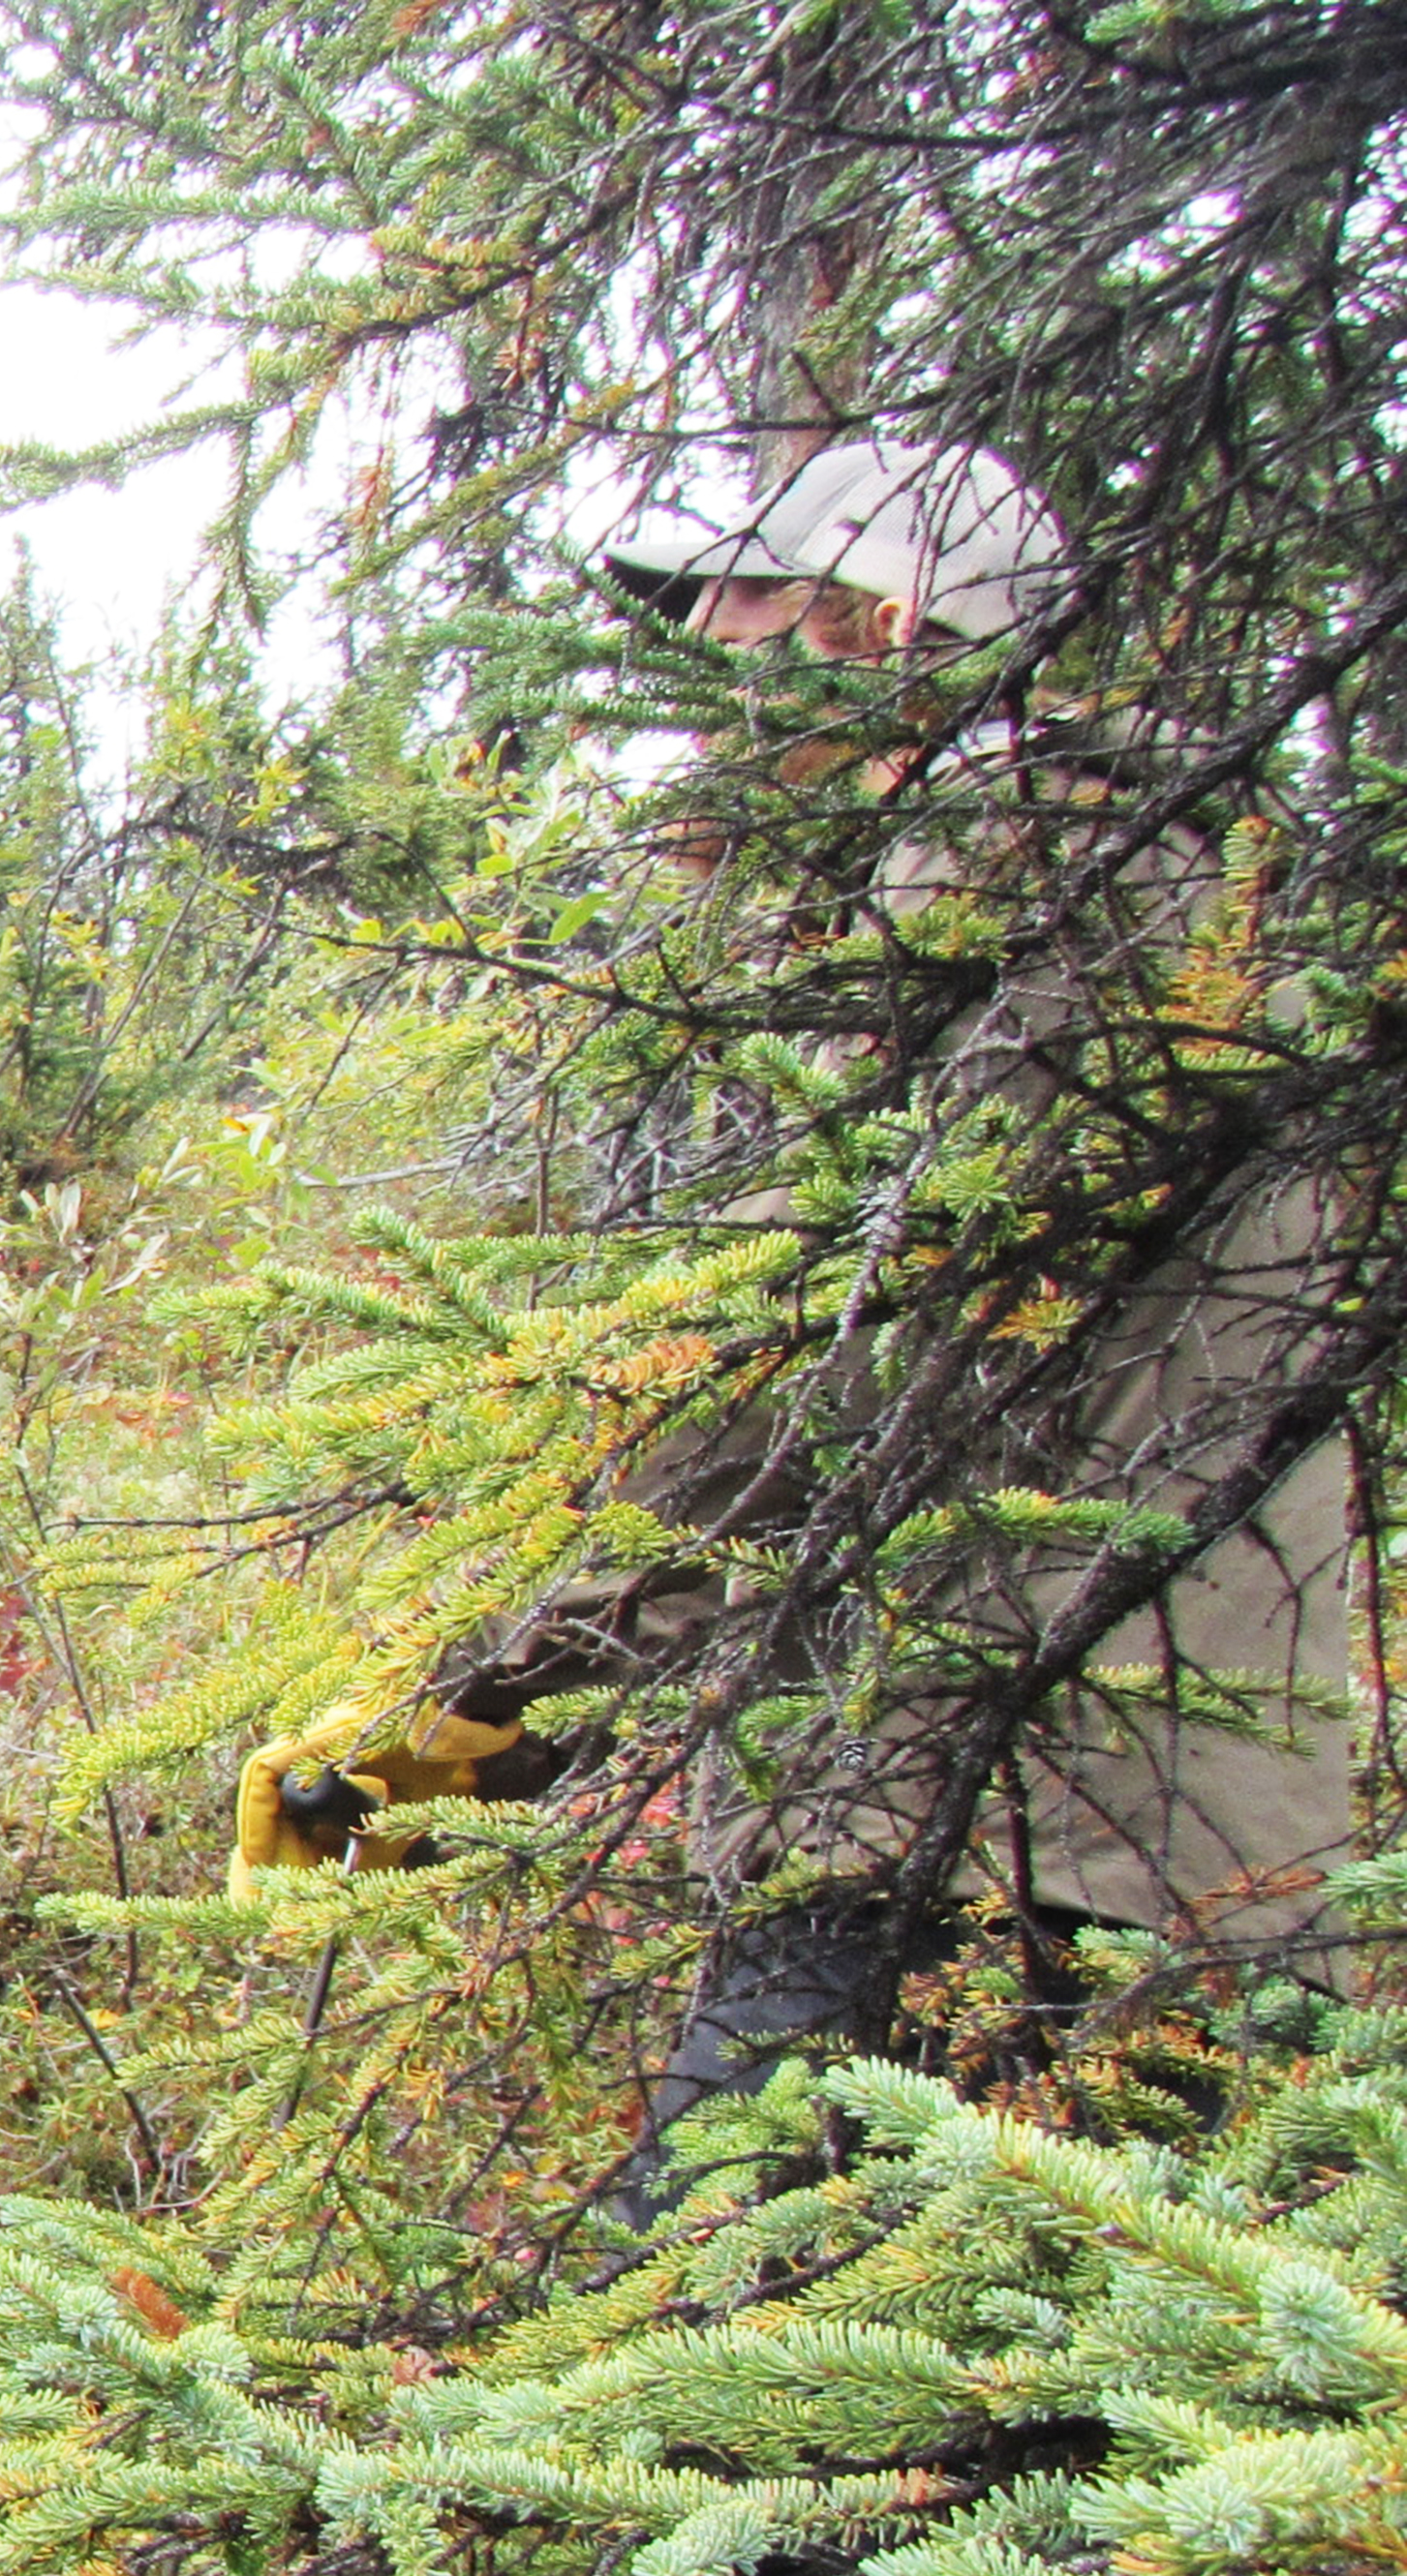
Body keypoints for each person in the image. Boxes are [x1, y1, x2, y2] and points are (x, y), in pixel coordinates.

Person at [236, 441, 1375, 2176]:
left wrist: (470, 1725)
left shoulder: (1004, 870)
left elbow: (792, 1378)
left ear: (879, 624)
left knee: (660, 2403)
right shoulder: (1189, 884)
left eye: (740, 599)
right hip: (1213, 1848)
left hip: (980, 1830)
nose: (691, 654)